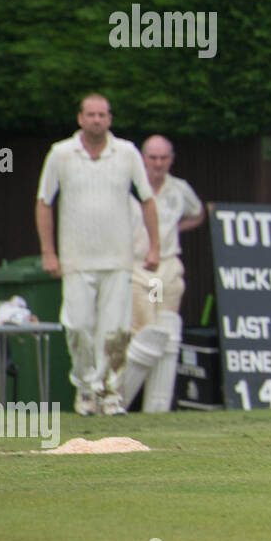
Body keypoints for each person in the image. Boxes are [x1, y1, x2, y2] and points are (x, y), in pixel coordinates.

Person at [36, 94, 159, 416]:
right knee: (77, 326)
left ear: (109, 119)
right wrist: (49, 252)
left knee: (115, 331)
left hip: (117, 258)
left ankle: (109, 392)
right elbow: (44, 201)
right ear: (80, 118)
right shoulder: (61, 154)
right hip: (76, 258)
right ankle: (85, 388)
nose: (96, 120)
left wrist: (155, 246)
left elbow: (147, 199)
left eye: (102, 115)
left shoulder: (127, 153)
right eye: (90, 114)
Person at [121, 136, 206, 411]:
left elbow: (198, 214)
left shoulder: (179, 189)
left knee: (166, 332)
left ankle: (157, 407)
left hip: (166, 267)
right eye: (153, 158)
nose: (158, 164)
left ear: (171, 159)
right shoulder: (130, 188)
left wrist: (171, 232)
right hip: (137, 267)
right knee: (143, 332)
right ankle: (117, 401)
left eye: (163, 158)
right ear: (144, 159)